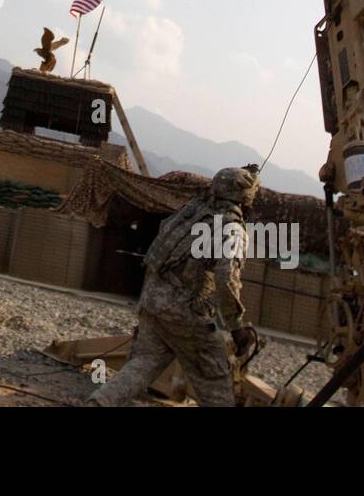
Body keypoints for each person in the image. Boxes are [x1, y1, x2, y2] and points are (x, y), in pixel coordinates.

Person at [89, 165, 261, 407]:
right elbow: (225, 278)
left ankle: (98, 403)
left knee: (143, 364)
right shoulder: (232, 229)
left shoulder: (189, 213)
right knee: (215, 382)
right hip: (185, 315)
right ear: (246, 198)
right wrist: (236, 327)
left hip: (152, 303)